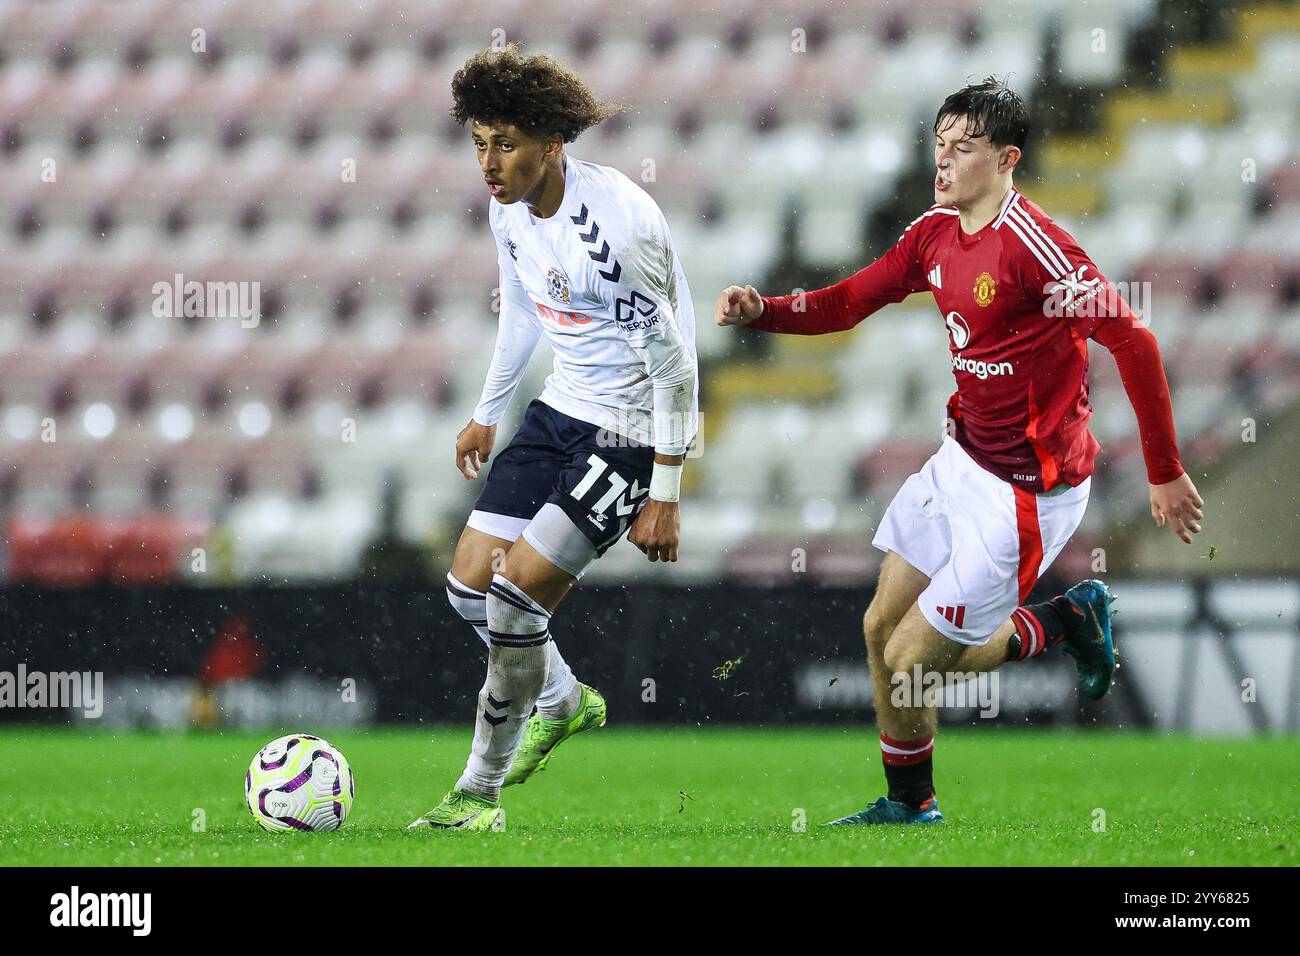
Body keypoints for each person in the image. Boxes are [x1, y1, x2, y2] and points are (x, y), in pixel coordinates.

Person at [716, 78, 1204, 825]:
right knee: (882, 627)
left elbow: (1133, 338)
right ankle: (910, 805)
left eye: (963, 147)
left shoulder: (1039, 250)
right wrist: (769, 313)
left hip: (1027, 493)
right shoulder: (933, 230)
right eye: (938, 144)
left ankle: (1064, 621)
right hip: (962, 460)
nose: (942, 161)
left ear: (1006, 159)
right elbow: (853, 300)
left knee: (913, 662)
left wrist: (1165, 472)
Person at [408, 45, 698, 831]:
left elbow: (676, 367)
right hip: (560, 410)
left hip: (634, 429)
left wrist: (666, 491)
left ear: (551, 143)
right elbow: (524, 309)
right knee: (468, 582)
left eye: (504, 143)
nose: (488, 162)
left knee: (513, 594)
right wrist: (488, 409)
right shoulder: (509, 207)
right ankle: (564, 699)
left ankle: (478, 794)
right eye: (478, 142)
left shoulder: (616, 231)